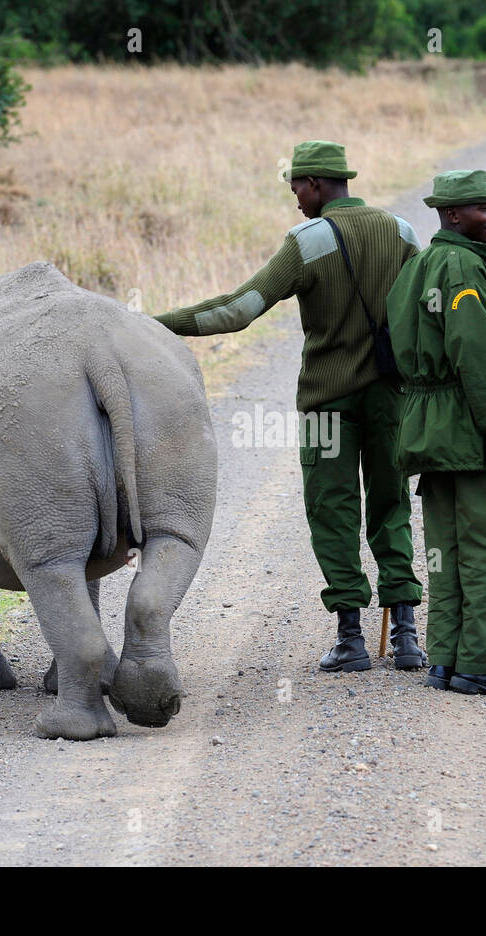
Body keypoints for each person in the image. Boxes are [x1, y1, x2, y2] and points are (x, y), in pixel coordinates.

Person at [152, 140, 425, 673]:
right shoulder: (401, 231)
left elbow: (238, 310)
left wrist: (154, 324)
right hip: (392, 396)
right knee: (391, 506)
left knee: (332, 509)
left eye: (297, 186)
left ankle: (351, 638)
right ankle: (408, 636)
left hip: (327, 403)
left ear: (318, 184)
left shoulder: (306, 241)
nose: (295, 197)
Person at [385, 169, 486, 697]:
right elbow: (479, 364)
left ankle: (444, 659)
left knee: (445, 552)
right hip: (470, 437)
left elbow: (415, 348)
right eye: (482, 208)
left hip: (429, 433)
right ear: (454, 215)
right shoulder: (463, 268)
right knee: (483, 552)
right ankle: (475, 662)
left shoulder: (418, 266)